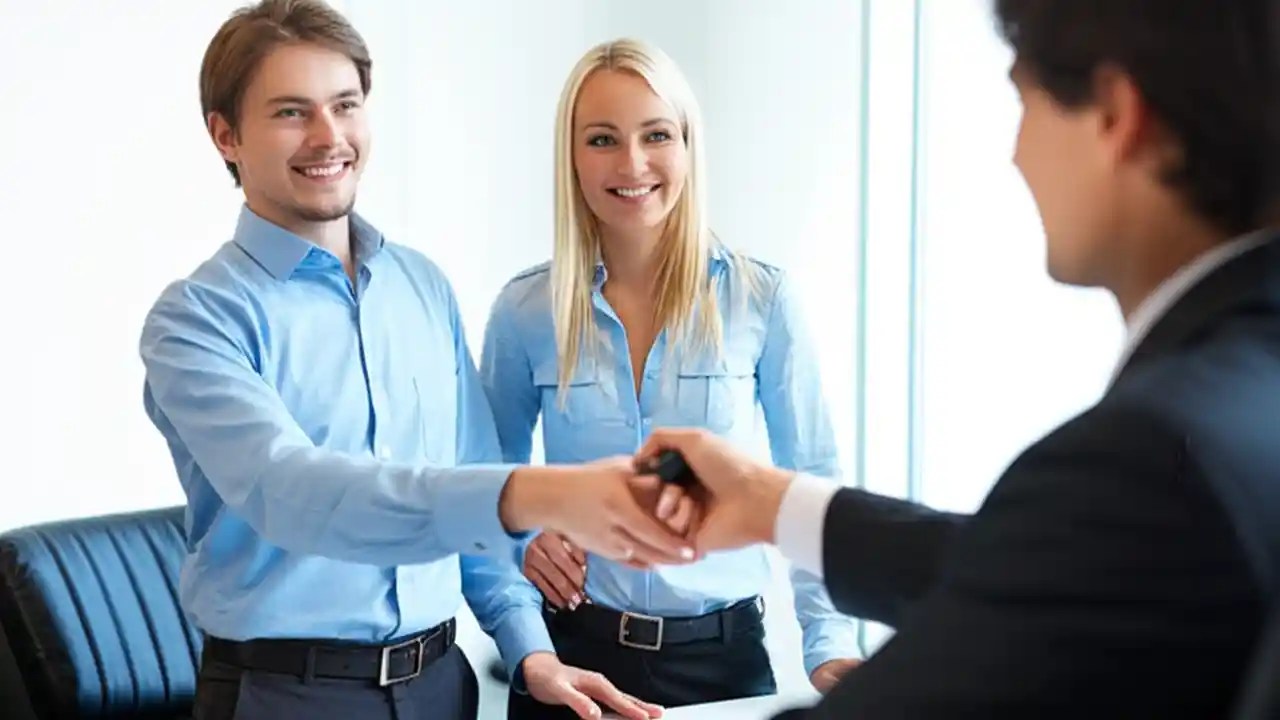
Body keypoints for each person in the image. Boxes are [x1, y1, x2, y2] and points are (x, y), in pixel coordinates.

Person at [635, 0, 1280, 717]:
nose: (1015, 151)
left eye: (1022, 102)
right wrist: (774, 505)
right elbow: (1058, 568)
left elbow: (1077, 559)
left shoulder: (1150, 459)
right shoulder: (1241, 395)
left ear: (1115, 116)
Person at [139, 3, 691, 719]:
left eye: (345, 105)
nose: (329, 136)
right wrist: (535, 493)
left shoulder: (420, 286)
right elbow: (298, 494)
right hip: (287, 695)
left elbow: (468, 491)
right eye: (291, 113)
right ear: (226, 135)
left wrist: (532, 650)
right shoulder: (196, 320)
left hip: (441, 684)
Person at [478, 38, 860, 719]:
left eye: (656, 135)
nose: (632, 164)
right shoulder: (524, 311)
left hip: (723, 666)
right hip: (571, 665)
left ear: (687, 145)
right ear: (571, 156)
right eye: (602, 139)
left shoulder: (762, 300)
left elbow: (812, 479)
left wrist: (828, 644)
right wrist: (525, 537)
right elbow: (481, 489)